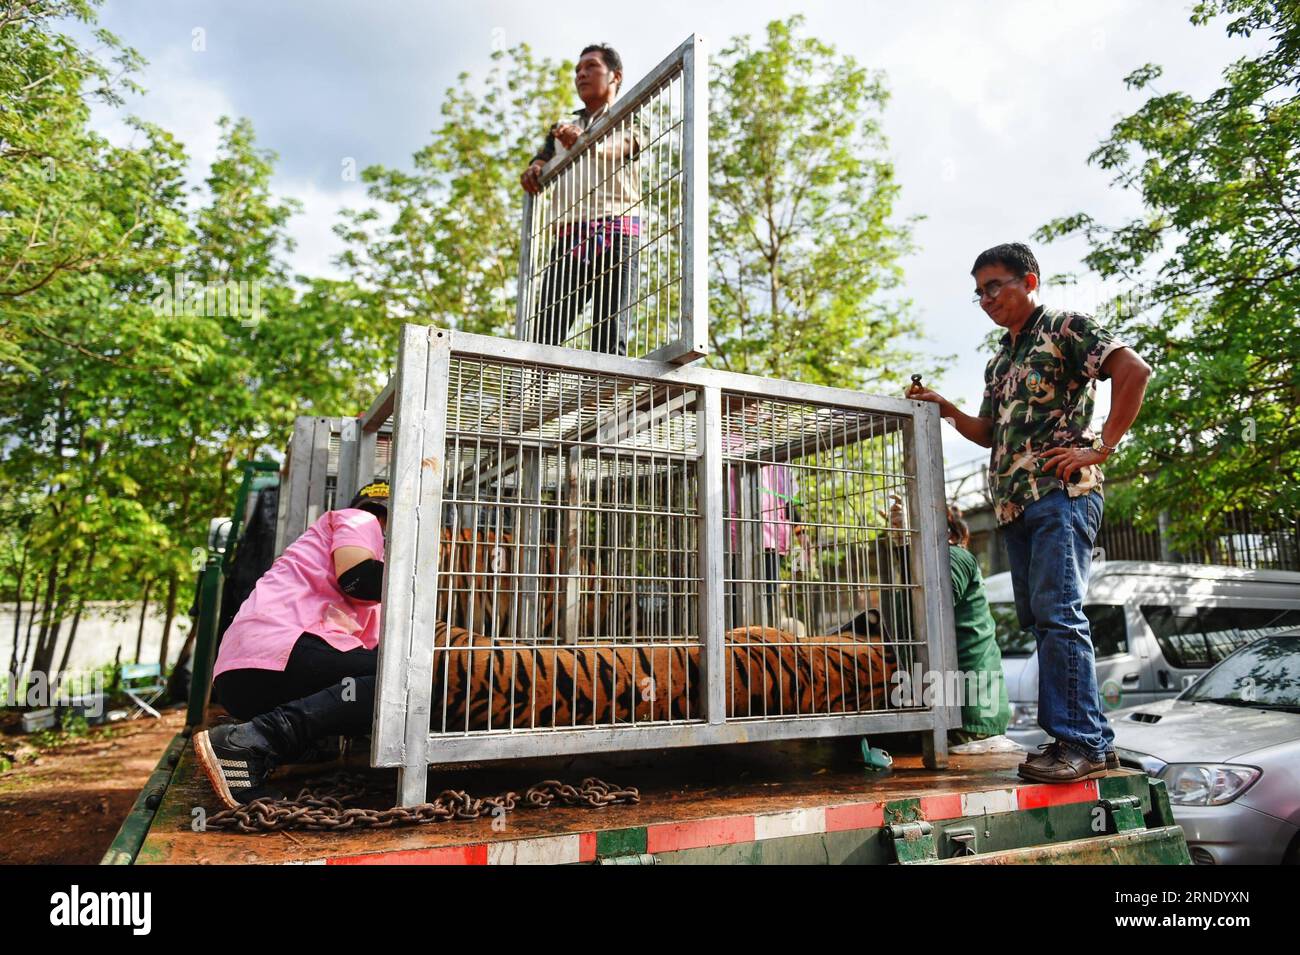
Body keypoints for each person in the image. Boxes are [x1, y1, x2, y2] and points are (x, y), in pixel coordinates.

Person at [908, 242, 1152, 782]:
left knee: (1061, 614)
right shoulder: (1001, 358)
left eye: (996, 285)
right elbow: (988, 432)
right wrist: (944, 408)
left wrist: (1102, 446)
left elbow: (1135, 371)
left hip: (1061, 495)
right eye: (979, 293)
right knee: (1043, 620)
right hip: (1015, 507)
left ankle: (1081, 744)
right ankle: (1092, 740)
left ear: (1030, 280)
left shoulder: (1065, 327)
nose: (988, 298)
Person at [194, 482, 391, 807]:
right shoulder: (359, 520)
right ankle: (252, 741)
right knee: (394, 682)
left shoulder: (335, 562)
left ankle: (264, 752)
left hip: (243, 671)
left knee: (372, 677)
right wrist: (426, 578)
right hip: (277, 651)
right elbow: (357, 578)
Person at [520, 43, 640, 355]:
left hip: (617, 232)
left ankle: (605, 400)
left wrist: (584, 144)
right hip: (570, 235)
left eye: (591, 67)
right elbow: (542, 160)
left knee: (609, 334)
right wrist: (534, 170)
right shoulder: (561, 126)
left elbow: (626, 146)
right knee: (545, 331)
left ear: (615, 76)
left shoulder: (630, 112)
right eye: (578, 70)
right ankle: (533, 396)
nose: (581, 74)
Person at [944, 506, 1016, 754]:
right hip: (952, 705)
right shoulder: (929, 563)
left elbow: (932, 612)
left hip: (971, 716)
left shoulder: (954, 557)